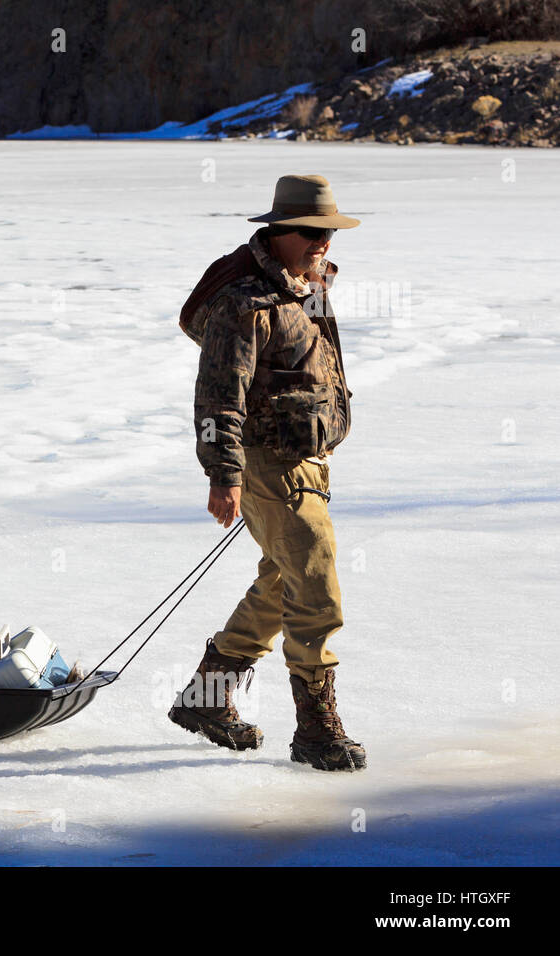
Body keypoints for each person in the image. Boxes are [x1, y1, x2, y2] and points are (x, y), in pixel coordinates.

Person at [169, 174, 367, 772]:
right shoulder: (245, 302)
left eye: (329, 232)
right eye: (311, 232)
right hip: (266, 464)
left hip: (305, 459)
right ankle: (316, 730)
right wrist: (223, 472)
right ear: (278, 231)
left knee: (283, 581)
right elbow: (218, 397)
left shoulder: (305, 286)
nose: (323, 243)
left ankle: (207, 698)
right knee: (316, 586)